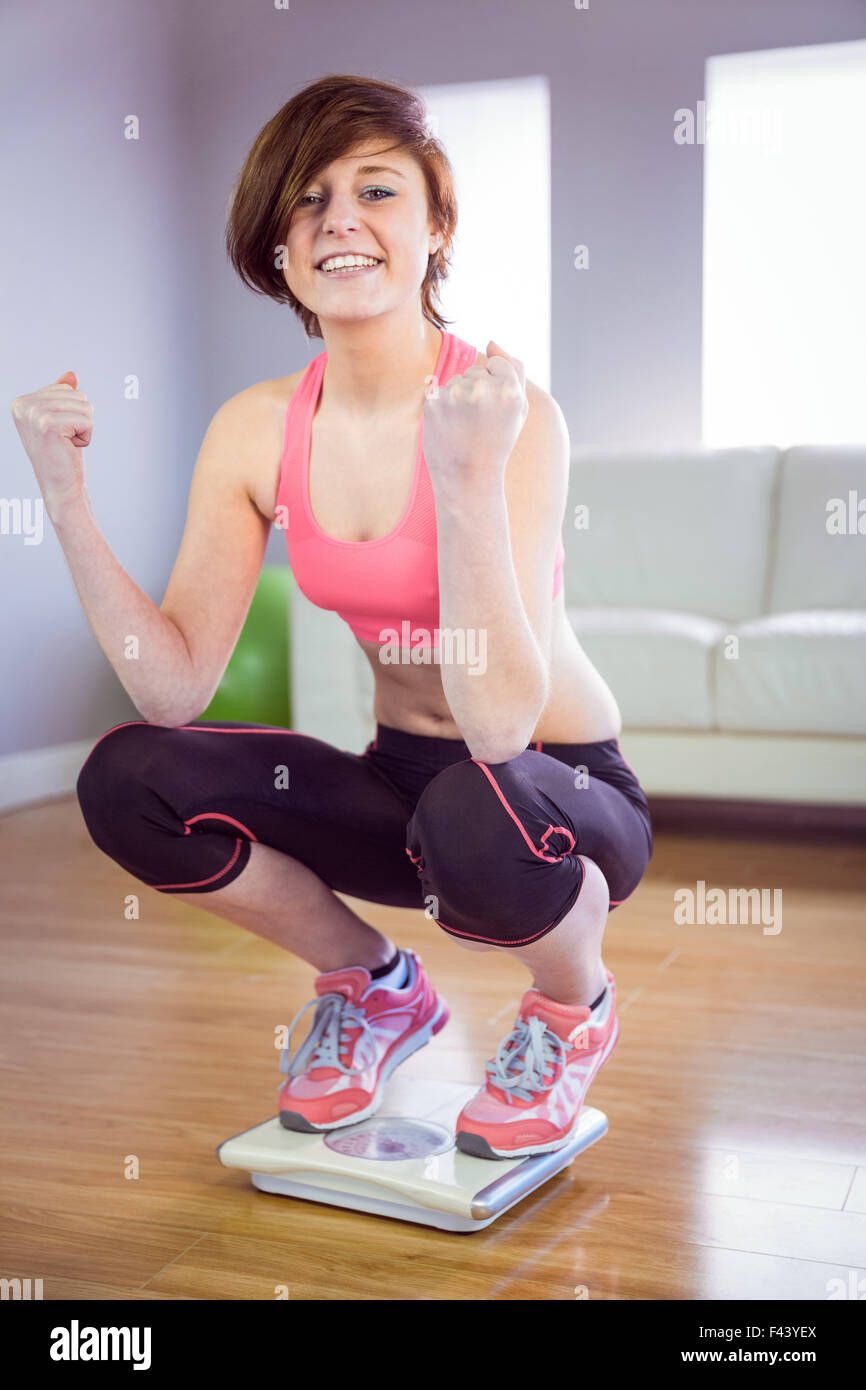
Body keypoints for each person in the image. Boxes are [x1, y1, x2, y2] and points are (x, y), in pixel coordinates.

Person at [10, 74, 652, 1161]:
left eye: (377, 190)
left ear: (435, 224)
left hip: (557, 794)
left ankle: (569, 1003)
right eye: (307, 200)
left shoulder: (503, 411)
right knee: (127, 776)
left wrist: (461, 479)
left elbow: (500, 730)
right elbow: (171, 687)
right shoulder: (257, 428)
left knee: (473, 803)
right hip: (406, 787)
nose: (339, 220)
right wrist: (63, 499)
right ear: (277, 248)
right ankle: (374, 984)